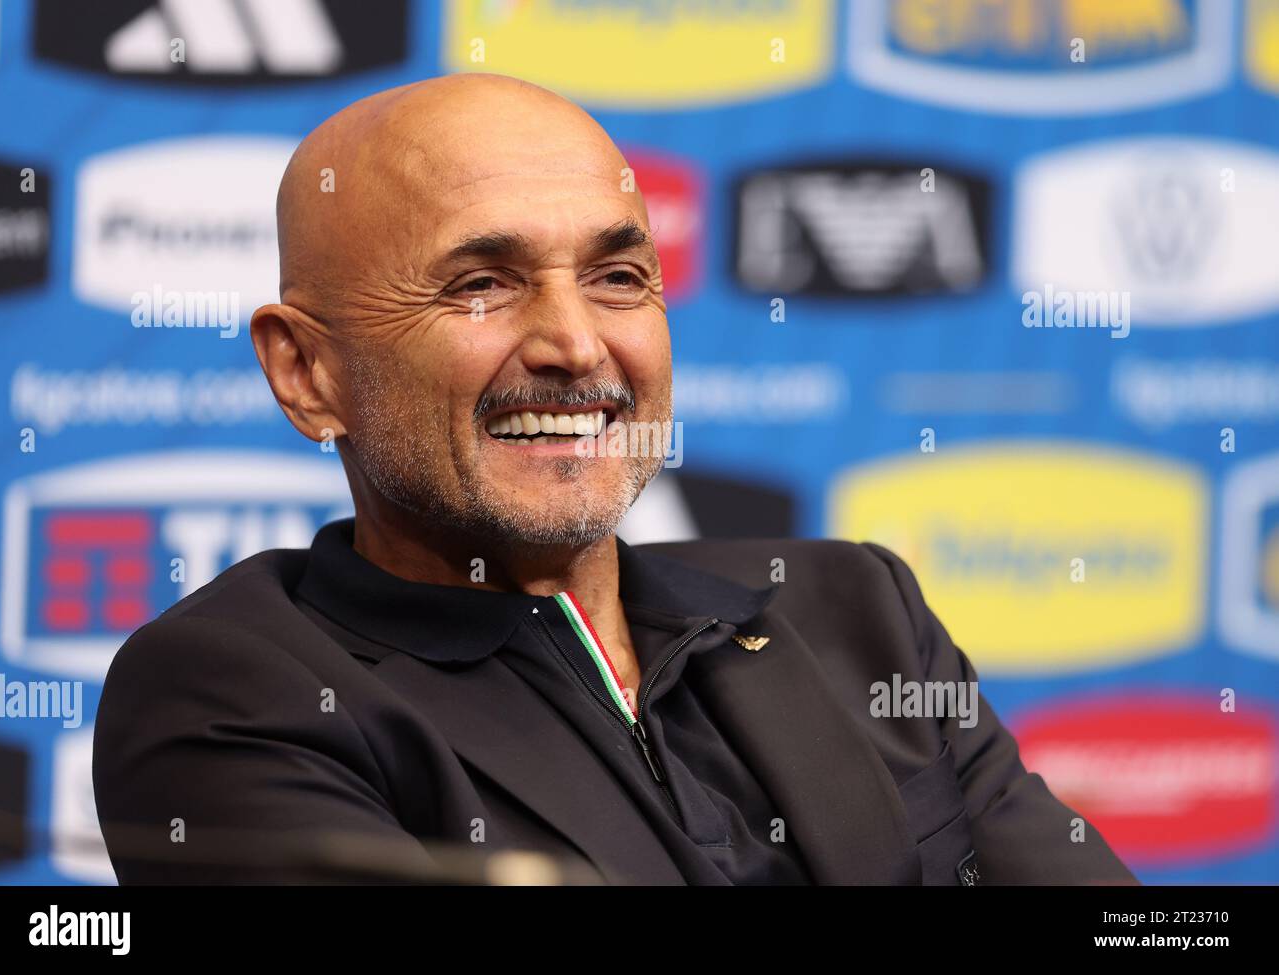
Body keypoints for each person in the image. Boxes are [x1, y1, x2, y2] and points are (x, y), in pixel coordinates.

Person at [93, 73, 1135, 885]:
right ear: (307, 372)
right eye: (482, 284)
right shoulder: (233, 691)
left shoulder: (857, 609)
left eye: (618, 278)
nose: (574, 345)